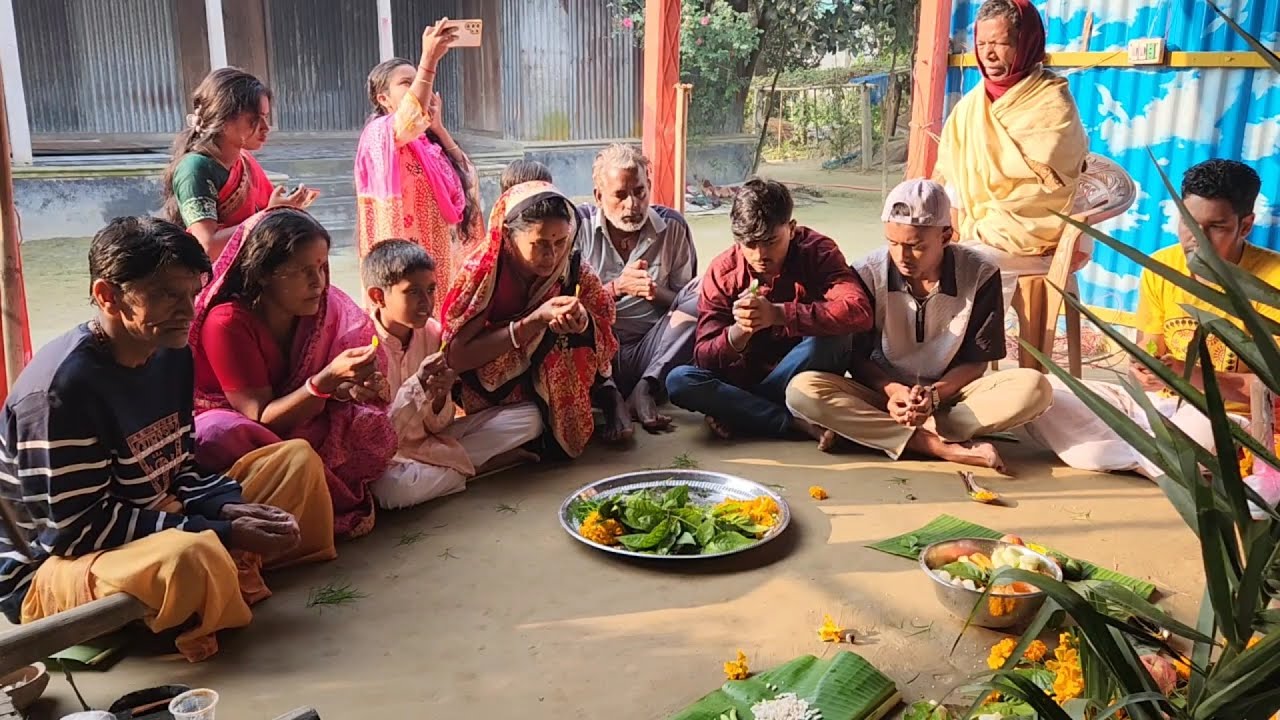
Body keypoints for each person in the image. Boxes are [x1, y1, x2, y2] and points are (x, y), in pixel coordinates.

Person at [0, 217, 335, 662]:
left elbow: (178, 467)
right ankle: (212, 584)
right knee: (189, 555)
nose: (188, 310)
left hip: (154, 515)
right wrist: (219, 530)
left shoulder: (171, 353)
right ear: (108, 296)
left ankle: (214, 582)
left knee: (295, 462)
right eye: (165, 295)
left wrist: (223, 505)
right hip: (55, 567)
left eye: (192, 294)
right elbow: (76, 531)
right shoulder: (60, 394)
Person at [1028, 159, 1276, 478]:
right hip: (1152, 407)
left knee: (1201, 437)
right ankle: (1154, 461)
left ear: (1245, 226)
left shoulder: (1272, 282)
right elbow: (1148, 353)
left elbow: (1269, 390)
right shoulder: (1162, 265)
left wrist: (1187, 376)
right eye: (1188, 222)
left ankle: (1118, 454)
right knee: (1039, 393)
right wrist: (1146, 369)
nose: (1195, 238)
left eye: (1216, 227)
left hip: (1222, 417)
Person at [786, 179, 1053, 472]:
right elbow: (856, 357)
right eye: (893, 243)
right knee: (801, 390)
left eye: (916, 246)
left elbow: (978, 363)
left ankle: (884, 433)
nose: (902, 257)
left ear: (946, 235)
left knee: (1036, 387)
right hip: (884, 398)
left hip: (952, 398)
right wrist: (892, 391)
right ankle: (938, 446)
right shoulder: (867, 272)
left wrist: (935, 395)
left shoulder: (981, 273)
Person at [189, 209, 397, 538]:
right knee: (220, 432)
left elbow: (331, 387)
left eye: (322, 267)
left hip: (301, 414)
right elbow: (258, 415)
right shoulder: (227, 322)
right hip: (247, 429)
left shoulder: (321, 308)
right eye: (302, 271)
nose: (319, 282)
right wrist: (325, 381)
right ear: (263, 274)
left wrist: (352, 385)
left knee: (365, 423)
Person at [666, 178, 872, 439]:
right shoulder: (723, 271)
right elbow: (705, 358)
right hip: (744, 378)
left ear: (792, 228)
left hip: (802, 374)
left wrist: (780, 314)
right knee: (680, 381)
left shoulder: (817, 251)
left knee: (837, 338)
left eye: (771, 241)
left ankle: (741, 413)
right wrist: (739, 332)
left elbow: (859, 312)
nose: (760, 255)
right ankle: (792, 423)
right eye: (750, 244)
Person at [442, 180, 618, 460]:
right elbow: (455, 356)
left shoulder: (572, 270)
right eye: (539, 244)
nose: (552, 255)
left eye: (560, 242)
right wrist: (534, 321)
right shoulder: (484, 274)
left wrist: (583, 322)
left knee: (569, 340)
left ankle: (559, 424)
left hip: (538, 397)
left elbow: (606, 329)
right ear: (508, 236)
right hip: (494, 390)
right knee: (525, 420)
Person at [362, 240, 542, 509]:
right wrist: (416, 387)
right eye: (413, 292)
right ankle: (478, 467)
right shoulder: (362, 344)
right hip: (393, 457)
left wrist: (439, 397)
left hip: (434, 442)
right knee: (390, 492)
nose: (426, 303)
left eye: (431, 290)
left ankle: (452, 469)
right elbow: (381, 438)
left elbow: (441, 424)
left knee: (531, 417)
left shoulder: (434, 333)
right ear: (378, 296)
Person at [932, 0, 1088, 306]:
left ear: (1026, 43)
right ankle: (922, 351)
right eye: (982, 43)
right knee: (917, 253)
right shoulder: (970, 108)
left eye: (1001, 43)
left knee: (960, 264)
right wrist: (951, 225)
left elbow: (1043, 196)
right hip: (973, 228)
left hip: (1030, 234)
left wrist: (980, 228)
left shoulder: (1053, 106)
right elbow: (951, 179)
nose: (988, 53)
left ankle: (970, 352)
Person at [356, 19, 483, 314]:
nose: (417, 88)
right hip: (404, 264)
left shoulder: (426, 144)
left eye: (418, 81)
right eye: (406, 83)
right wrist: (429, 60)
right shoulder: (381, 134)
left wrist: (439, 129)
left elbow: (468, 176)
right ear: (383, 98)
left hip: (438, 258)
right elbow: (410, 118)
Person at [578, 144, 700, 437]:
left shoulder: (673, 227)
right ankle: (609, 395)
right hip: (596, 354)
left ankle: (645, 388)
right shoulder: (576, 227)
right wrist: (616, 288)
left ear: (649, 188)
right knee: (566, 318)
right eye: (620, 195)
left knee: (705, 295)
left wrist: (655, 292)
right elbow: (564, 303)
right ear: (598, 196)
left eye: (639, 192)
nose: (632, 205)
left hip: (655, 352)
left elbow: (686, 302)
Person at [161, 67, 317, 262]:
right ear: (223, 119)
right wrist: (269, 216)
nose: (265, 128)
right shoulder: (195, 169)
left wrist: (287, 208)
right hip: (214, 280)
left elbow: (265, 210)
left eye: (265, 117)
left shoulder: (244, 161)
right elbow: (207, 246)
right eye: (254, 119)